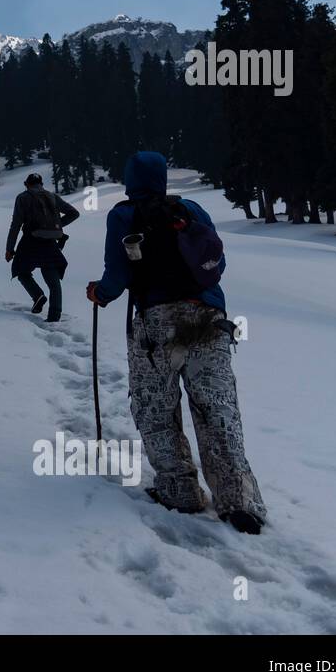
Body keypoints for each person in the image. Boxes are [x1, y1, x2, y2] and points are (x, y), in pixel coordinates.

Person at [86, 151, 267, 535]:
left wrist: (100, 294)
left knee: (156, 406)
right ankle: (239, 500)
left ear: (130, 179)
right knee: (217, 408)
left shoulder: (122, 216)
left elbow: (116, 276)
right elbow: (216, 262)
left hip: (157, 324)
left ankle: (179, 488)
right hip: (210, 320)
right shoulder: (193, 209)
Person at [5, 173, 79, 322]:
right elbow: (74, 213)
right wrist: (55, 226)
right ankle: (54, 316)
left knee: (20, 270)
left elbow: (16, 225)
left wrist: (9, 249)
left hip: (30, 241)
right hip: (51, 243)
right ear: (41, 183)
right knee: (53, 280)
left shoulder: (23, 197)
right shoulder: (52, 196)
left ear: (26, 184)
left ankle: (37, 295)